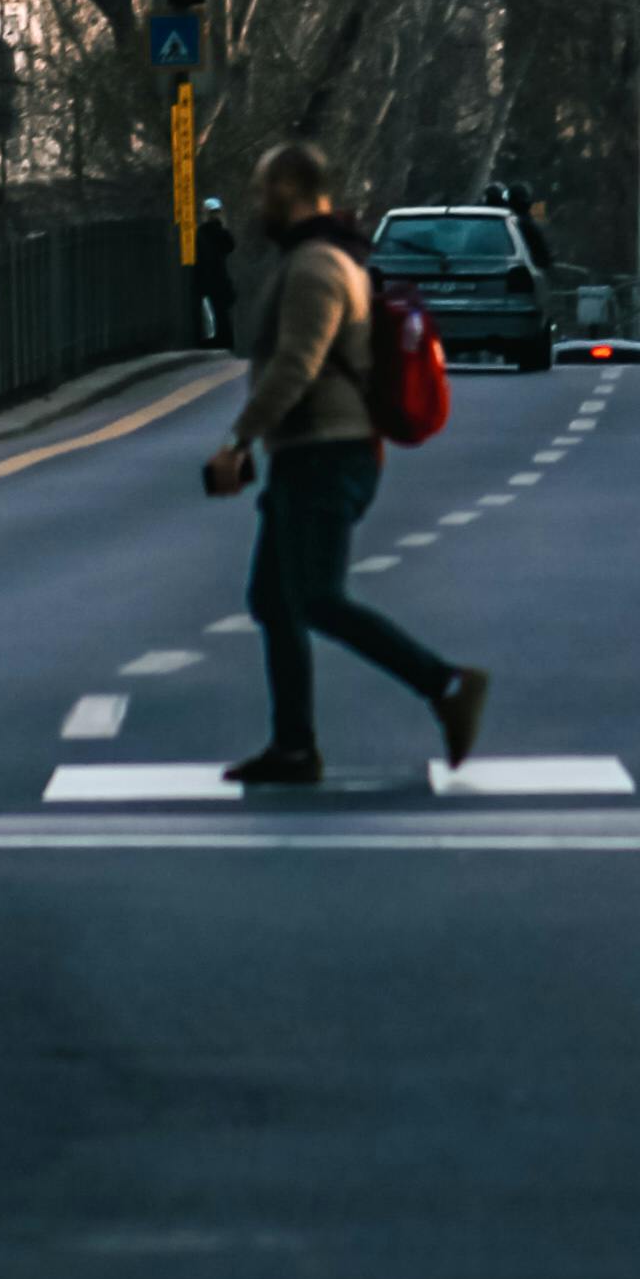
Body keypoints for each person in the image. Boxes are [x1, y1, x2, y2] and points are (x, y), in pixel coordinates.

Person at [203, 137, 487, 790]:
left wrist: (238, 440)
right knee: (276, 601)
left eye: (264, 189)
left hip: (329, 454)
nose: (256, 203)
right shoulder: (318, 258)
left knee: (318, 599)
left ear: (290, 192)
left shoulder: (317, 266)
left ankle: (444, 684)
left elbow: (297, 365)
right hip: (309, 455)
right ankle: (294, 748)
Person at [193, 194, 236, 350]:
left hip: (205, 281)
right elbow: (230, 246)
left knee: (211, 315)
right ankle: (224, 344)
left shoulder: (201, 232)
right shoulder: (219, 232)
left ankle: (213, 343)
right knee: (221, 315)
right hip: (219, 280)